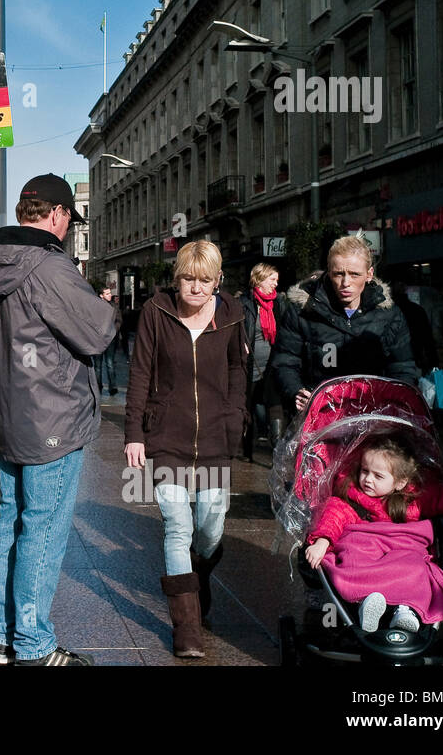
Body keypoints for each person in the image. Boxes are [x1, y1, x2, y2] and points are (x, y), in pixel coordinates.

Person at [0, 174, 118, 666]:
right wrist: (105, 307)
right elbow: (97, 333)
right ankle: (33, 643)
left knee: (12, 524)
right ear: (56, 214)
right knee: (44, 530)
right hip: (53, 414)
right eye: (69, 219)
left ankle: (4, 636)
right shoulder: (49, 268)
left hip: (11, 416)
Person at [123, 240, 247, 658]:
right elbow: (140, 373)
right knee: (178, 526)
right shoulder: (156, 313)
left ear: (218, 282)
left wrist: (235, 418)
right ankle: (187, 628)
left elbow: (237, 371)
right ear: (177, 279)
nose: (196, 288)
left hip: (215, 437)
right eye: (188, 279)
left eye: (205, 281)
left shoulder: (232, 316)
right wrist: (134, 434)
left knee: (211, 525)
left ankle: (199, 574)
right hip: (167, 440)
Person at [304, 432, 443, 632]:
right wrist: (322, 542)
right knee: (353, 557)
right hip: (366, 546)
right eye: (364, 471)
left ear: (400, 482)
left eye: (378, 476)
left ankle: (406, 610)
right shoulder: (354, 497)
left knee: (415, 567)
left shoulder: (416, 499)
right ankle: (368, 602)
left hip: (404, 548)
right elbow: (334, 517)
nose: (368, 480)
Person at [272, 235, 419, 414]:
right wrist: (296, 392)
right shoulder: (302, 311)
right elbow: (285, 361)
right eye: (338, 274)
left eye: (354, 274)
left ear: (369, 274)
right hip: (319, 415)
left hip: (373, 416)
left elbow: (402, 367)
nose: (345, 283)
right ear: (328, 271)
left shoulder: (389, 315)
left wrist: (394, 401)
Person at [240, 263, 286, 461]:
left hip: (272, 364)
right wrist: (240, 344)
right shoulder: (244, 303)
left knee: (274, 405)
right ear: (259, 279)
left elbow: (286, 331)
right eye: (272, 279)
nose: (276, 283)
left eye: (276, 279)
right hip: (250, 366)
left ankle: (277, 450)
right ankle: (247, 451)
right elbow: (237, 329)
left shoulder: (279, 303)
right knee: (247, 410)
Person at [98, 284, 120, 395]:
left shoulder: (114, 306)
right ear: (101, 295)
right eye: (107, 293)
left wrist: (113, 331)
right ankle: (98, 386)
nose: (110, 295)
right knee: (97, 366)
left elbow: (119, 321)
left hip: (110, 339)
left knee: (110, 363)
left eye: (110, 293)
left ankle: (113, 387)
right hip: (98, 340)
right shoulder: (95, 306)